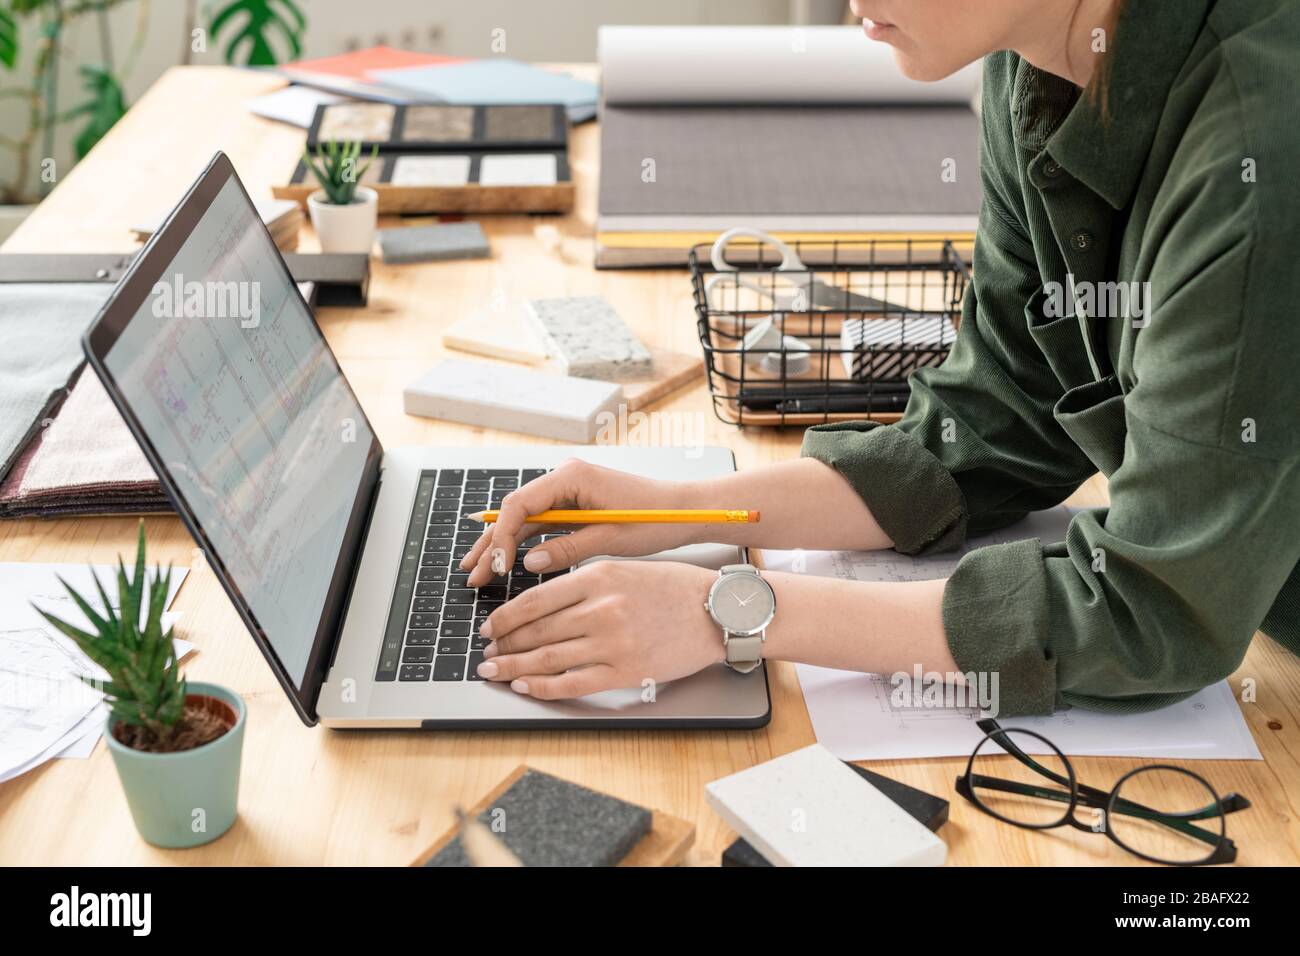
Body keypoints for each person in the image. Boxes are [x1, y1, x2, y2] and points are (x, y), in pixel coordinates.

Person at [461, 0, 1300, 716]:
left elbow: (1154, 611)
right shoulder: (1033, 62)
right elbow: (1000, 417)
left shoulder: (1256, 152)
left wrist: (736, 611)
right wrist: (683, 510)